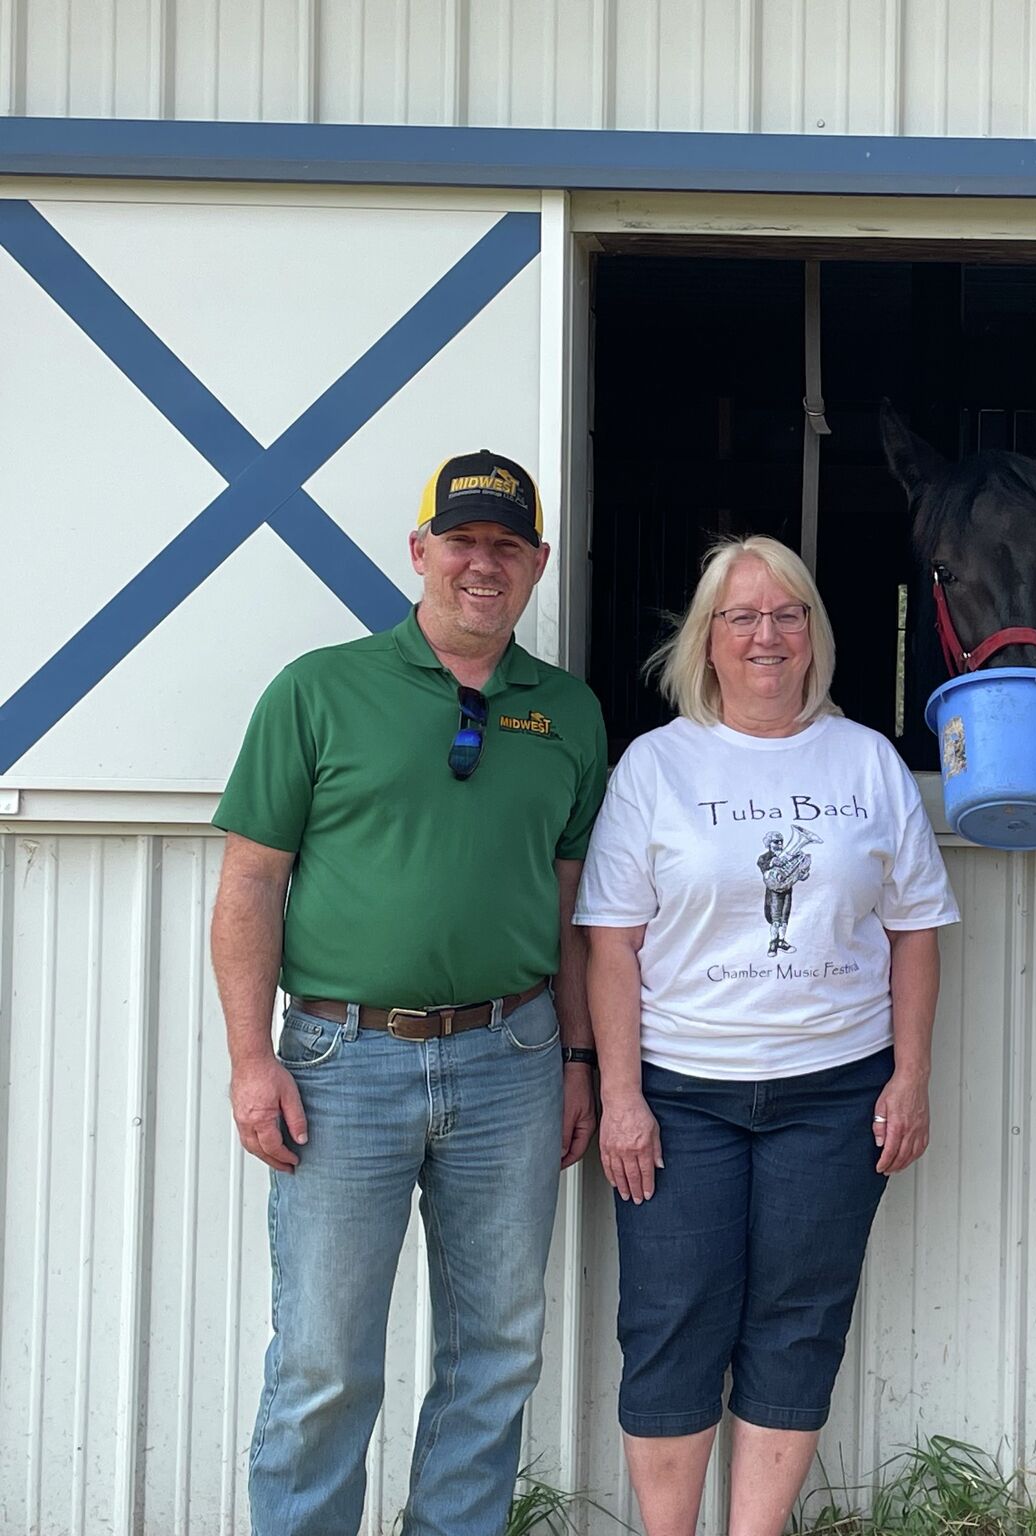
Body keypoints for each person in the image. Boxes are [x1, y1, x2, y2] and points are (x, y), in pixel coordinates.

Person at [211, 450, 607, 1536]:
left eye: (508, 547)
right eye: (463, 543)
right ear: (419, 551)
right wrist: (253, 1059)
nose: (484, 566)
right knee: (326, 1361)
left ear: (534, 566)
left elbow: (571, 913)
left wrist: (577, 1060)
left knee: (495, 1354)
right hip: (344, 1063)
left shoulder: (567, 715)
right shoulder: (319, 689)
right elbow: (250, 882)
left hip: (513, 1060)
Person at [575, 534, 958, 1536]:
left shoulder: (866, 760)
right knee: (670, 1322)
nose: (765, 635)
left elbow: (913, 930)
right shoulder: (653, 767)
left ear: (813, 636)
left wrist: (908, 1077)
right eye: (740, 616)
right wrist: (621, 1098)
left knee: (798, 1322)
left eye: (786, 614)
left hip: (833, 1093)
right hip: (682, 1093)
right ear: (706, 640)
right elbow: (609, 945)